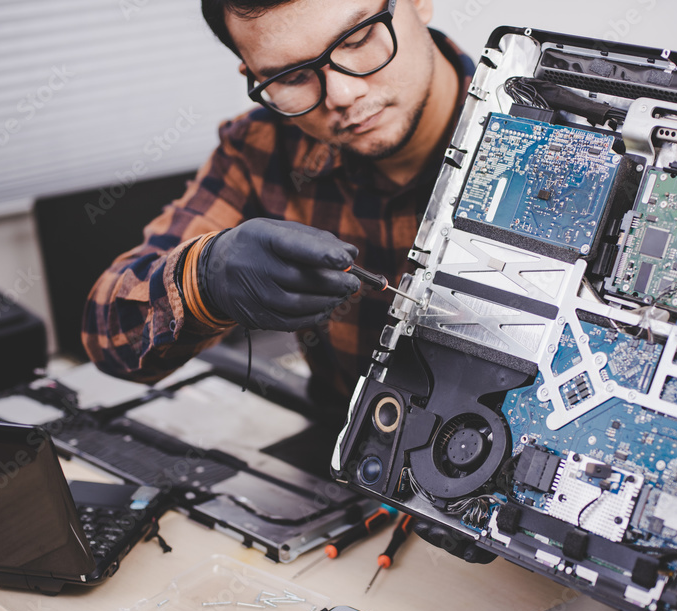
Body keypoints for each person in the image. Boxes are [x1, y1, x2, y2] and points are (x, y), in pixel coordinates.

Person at [82, 0, 474, 417]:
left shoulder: (530, 133)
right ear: (254, 75)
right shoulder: (261, 149)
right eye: (293, 76)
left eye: (358, 39)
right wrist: (204, 281)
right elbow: (109, 338)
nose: (343, 95)